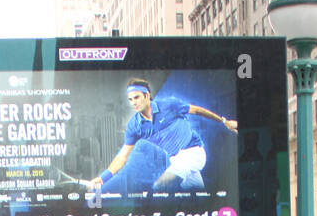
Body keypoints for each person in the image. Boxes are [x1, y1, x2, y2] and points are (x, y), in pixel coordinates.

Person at [85, 78, 237, 203]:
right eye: (130, 99)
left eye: (137, 97)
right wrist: (102, 179)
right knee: (198, 198)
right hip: (176, 159)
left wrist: (224, 121)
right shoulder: (134, 126)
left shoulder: (170, 105)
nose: (133, 102)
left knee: (160, 185)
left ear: (147, 95)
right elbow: (122, 157)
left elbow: (197, 110)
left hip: (194, 152)